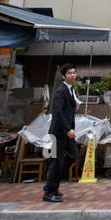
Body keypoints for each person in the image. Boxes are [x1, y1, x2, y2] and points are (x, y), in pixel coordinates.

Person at [43, 63, 79, 202]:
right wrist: (67, 129)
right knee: (56, 161)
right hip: (59, 132)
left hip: (67, 131)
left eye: (74, 73)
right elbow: (57, 113)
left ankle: (53, 183)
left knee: (72, 155)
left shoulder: (70, 90)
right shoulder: (60, 91)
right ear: (64, 76)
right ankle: (49, 192)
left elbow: (68, 109)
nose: (73, 75)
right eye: (70, 73)